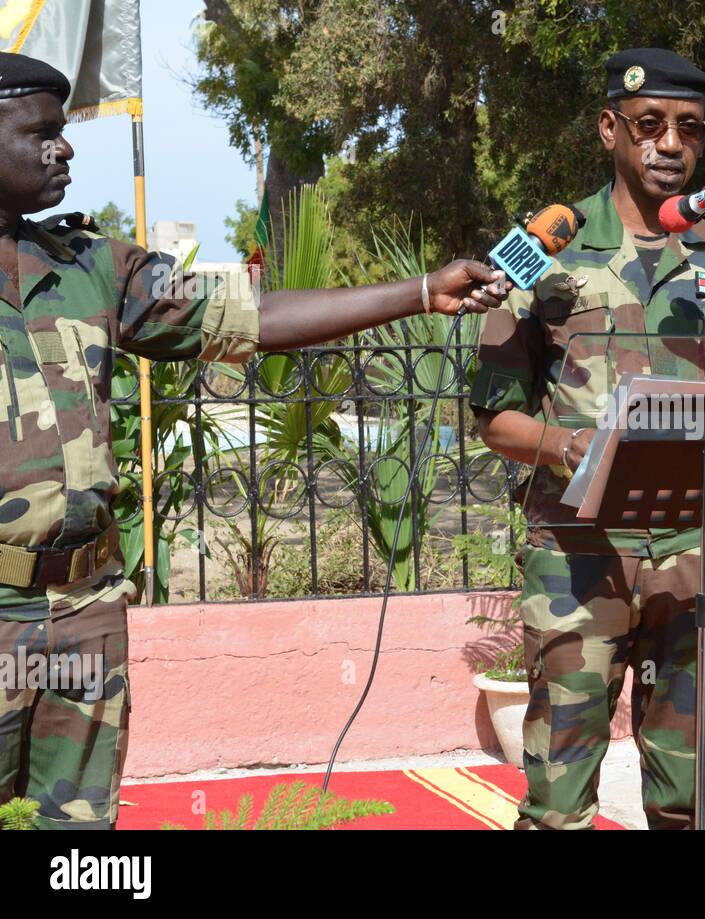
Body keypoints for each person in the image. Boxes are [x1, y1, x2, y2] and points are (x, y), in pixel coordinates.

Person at [0, 52, 511, 829]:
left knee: (79, 842)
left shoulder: (95, 265)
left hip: (83, 606)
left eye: (63, 132)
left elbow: (252, 314)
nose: (63, 148)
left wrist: (418, 292)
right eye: (41, 133)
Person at [469, 48, 705, 829]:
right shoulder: (542, 254)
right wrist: (564, 447)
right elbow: (492, 415)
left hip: (696, 561)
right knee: (557, 801)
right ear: (610, 128)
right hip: (578, 558)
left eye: (688, 129)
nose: (670, 145)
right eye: (649, 125)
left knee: (689, 799)